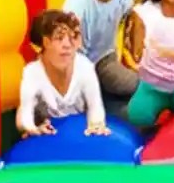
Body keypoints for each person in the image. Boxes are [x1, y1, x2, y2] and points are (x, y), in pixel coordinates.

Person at [61, 0, 139, 117]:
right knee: (78, 106)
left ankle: (108, 101)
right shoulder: (77, 3)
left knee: (138, 86)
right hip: (76, 65)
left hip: (105, 59)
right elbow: (64, 50)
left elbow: (130, 21)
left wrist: (137, 58)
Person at [17, 9, 110, 137]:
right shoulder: (32, 72)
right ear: (42, 45)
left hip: (79, 130)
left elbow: (95, 106)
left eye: (72, 37)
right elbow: (24, 114)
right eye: (59, 38)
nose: (67, 45)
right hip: (52, 133)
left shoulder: (84, 66)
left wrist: (96, 125)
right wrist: (33, 129)